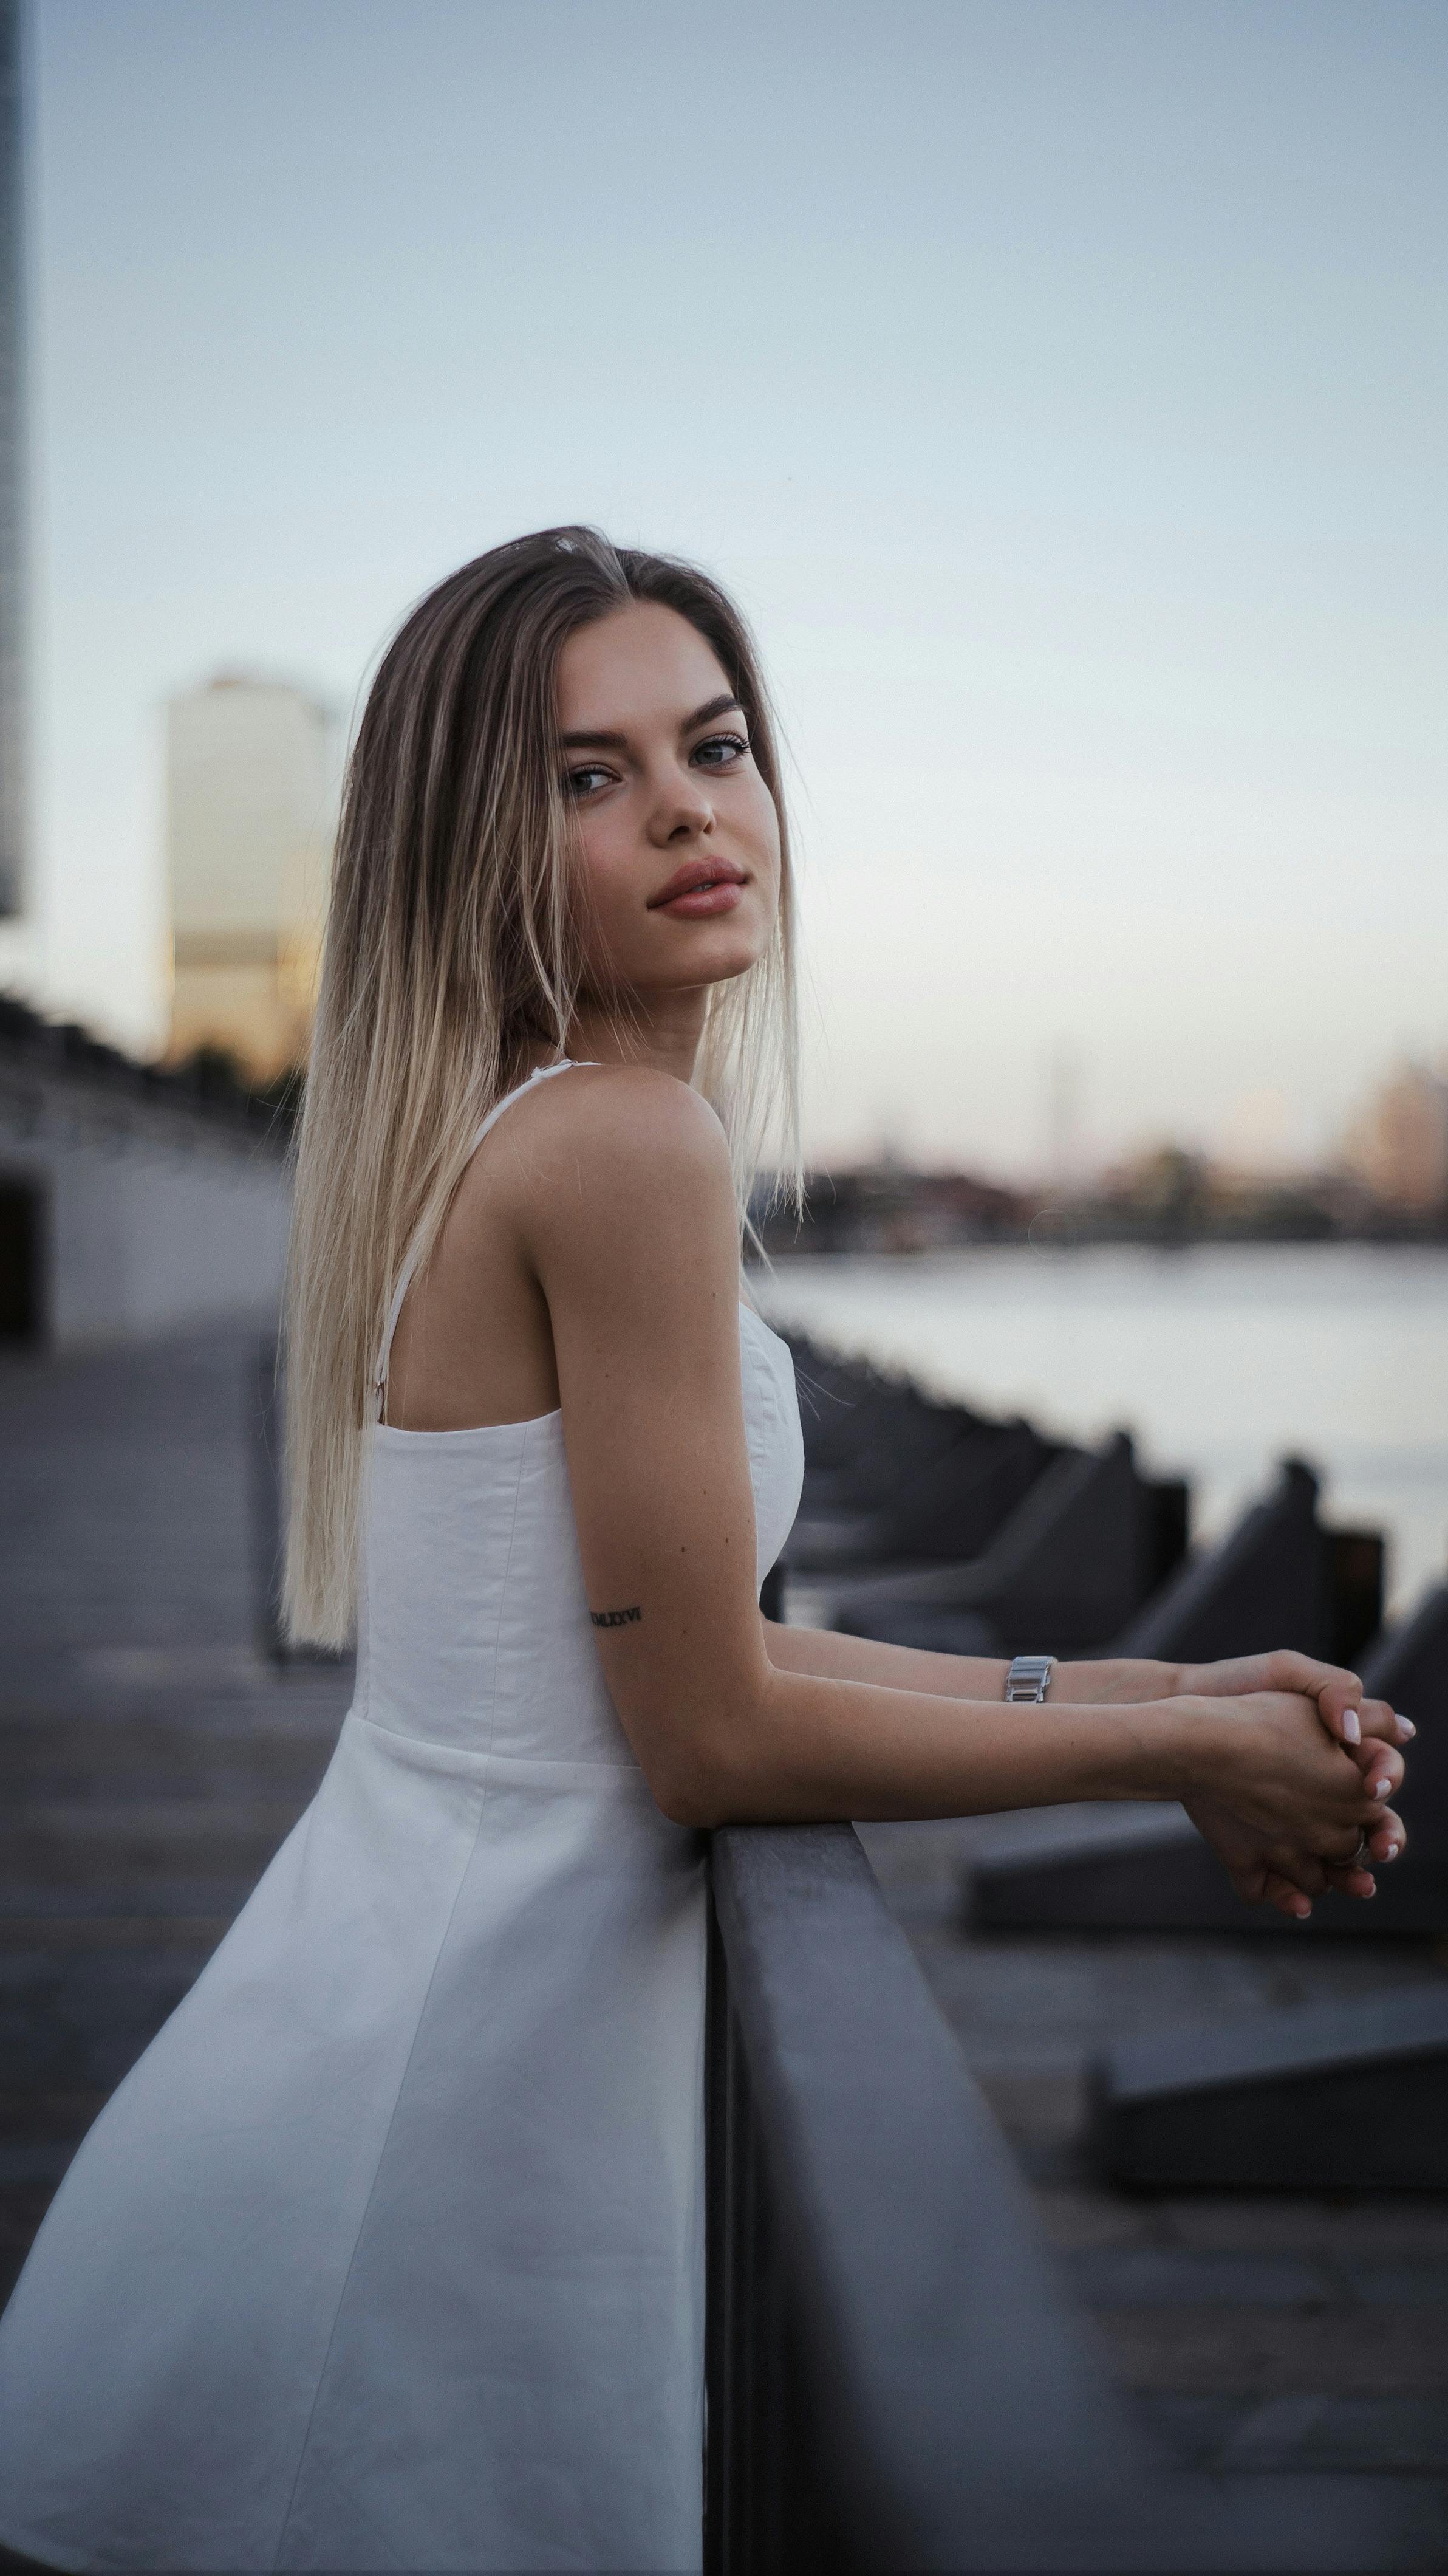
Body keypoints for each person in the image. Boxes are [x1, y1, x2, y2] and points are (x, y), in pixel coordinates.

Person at [0, 528, 1410, 2575]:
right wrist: (1171, 1752)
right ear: (475, 844)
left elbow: (711, 1649)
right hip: (449, 2099)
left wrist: (1169, 1687)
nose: (685, 808)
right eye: (592, 775)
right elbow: (713, 1737)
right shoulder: (620, 1145)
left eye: (716, 746)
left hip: (397, 2018)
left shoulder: (515, 1126)